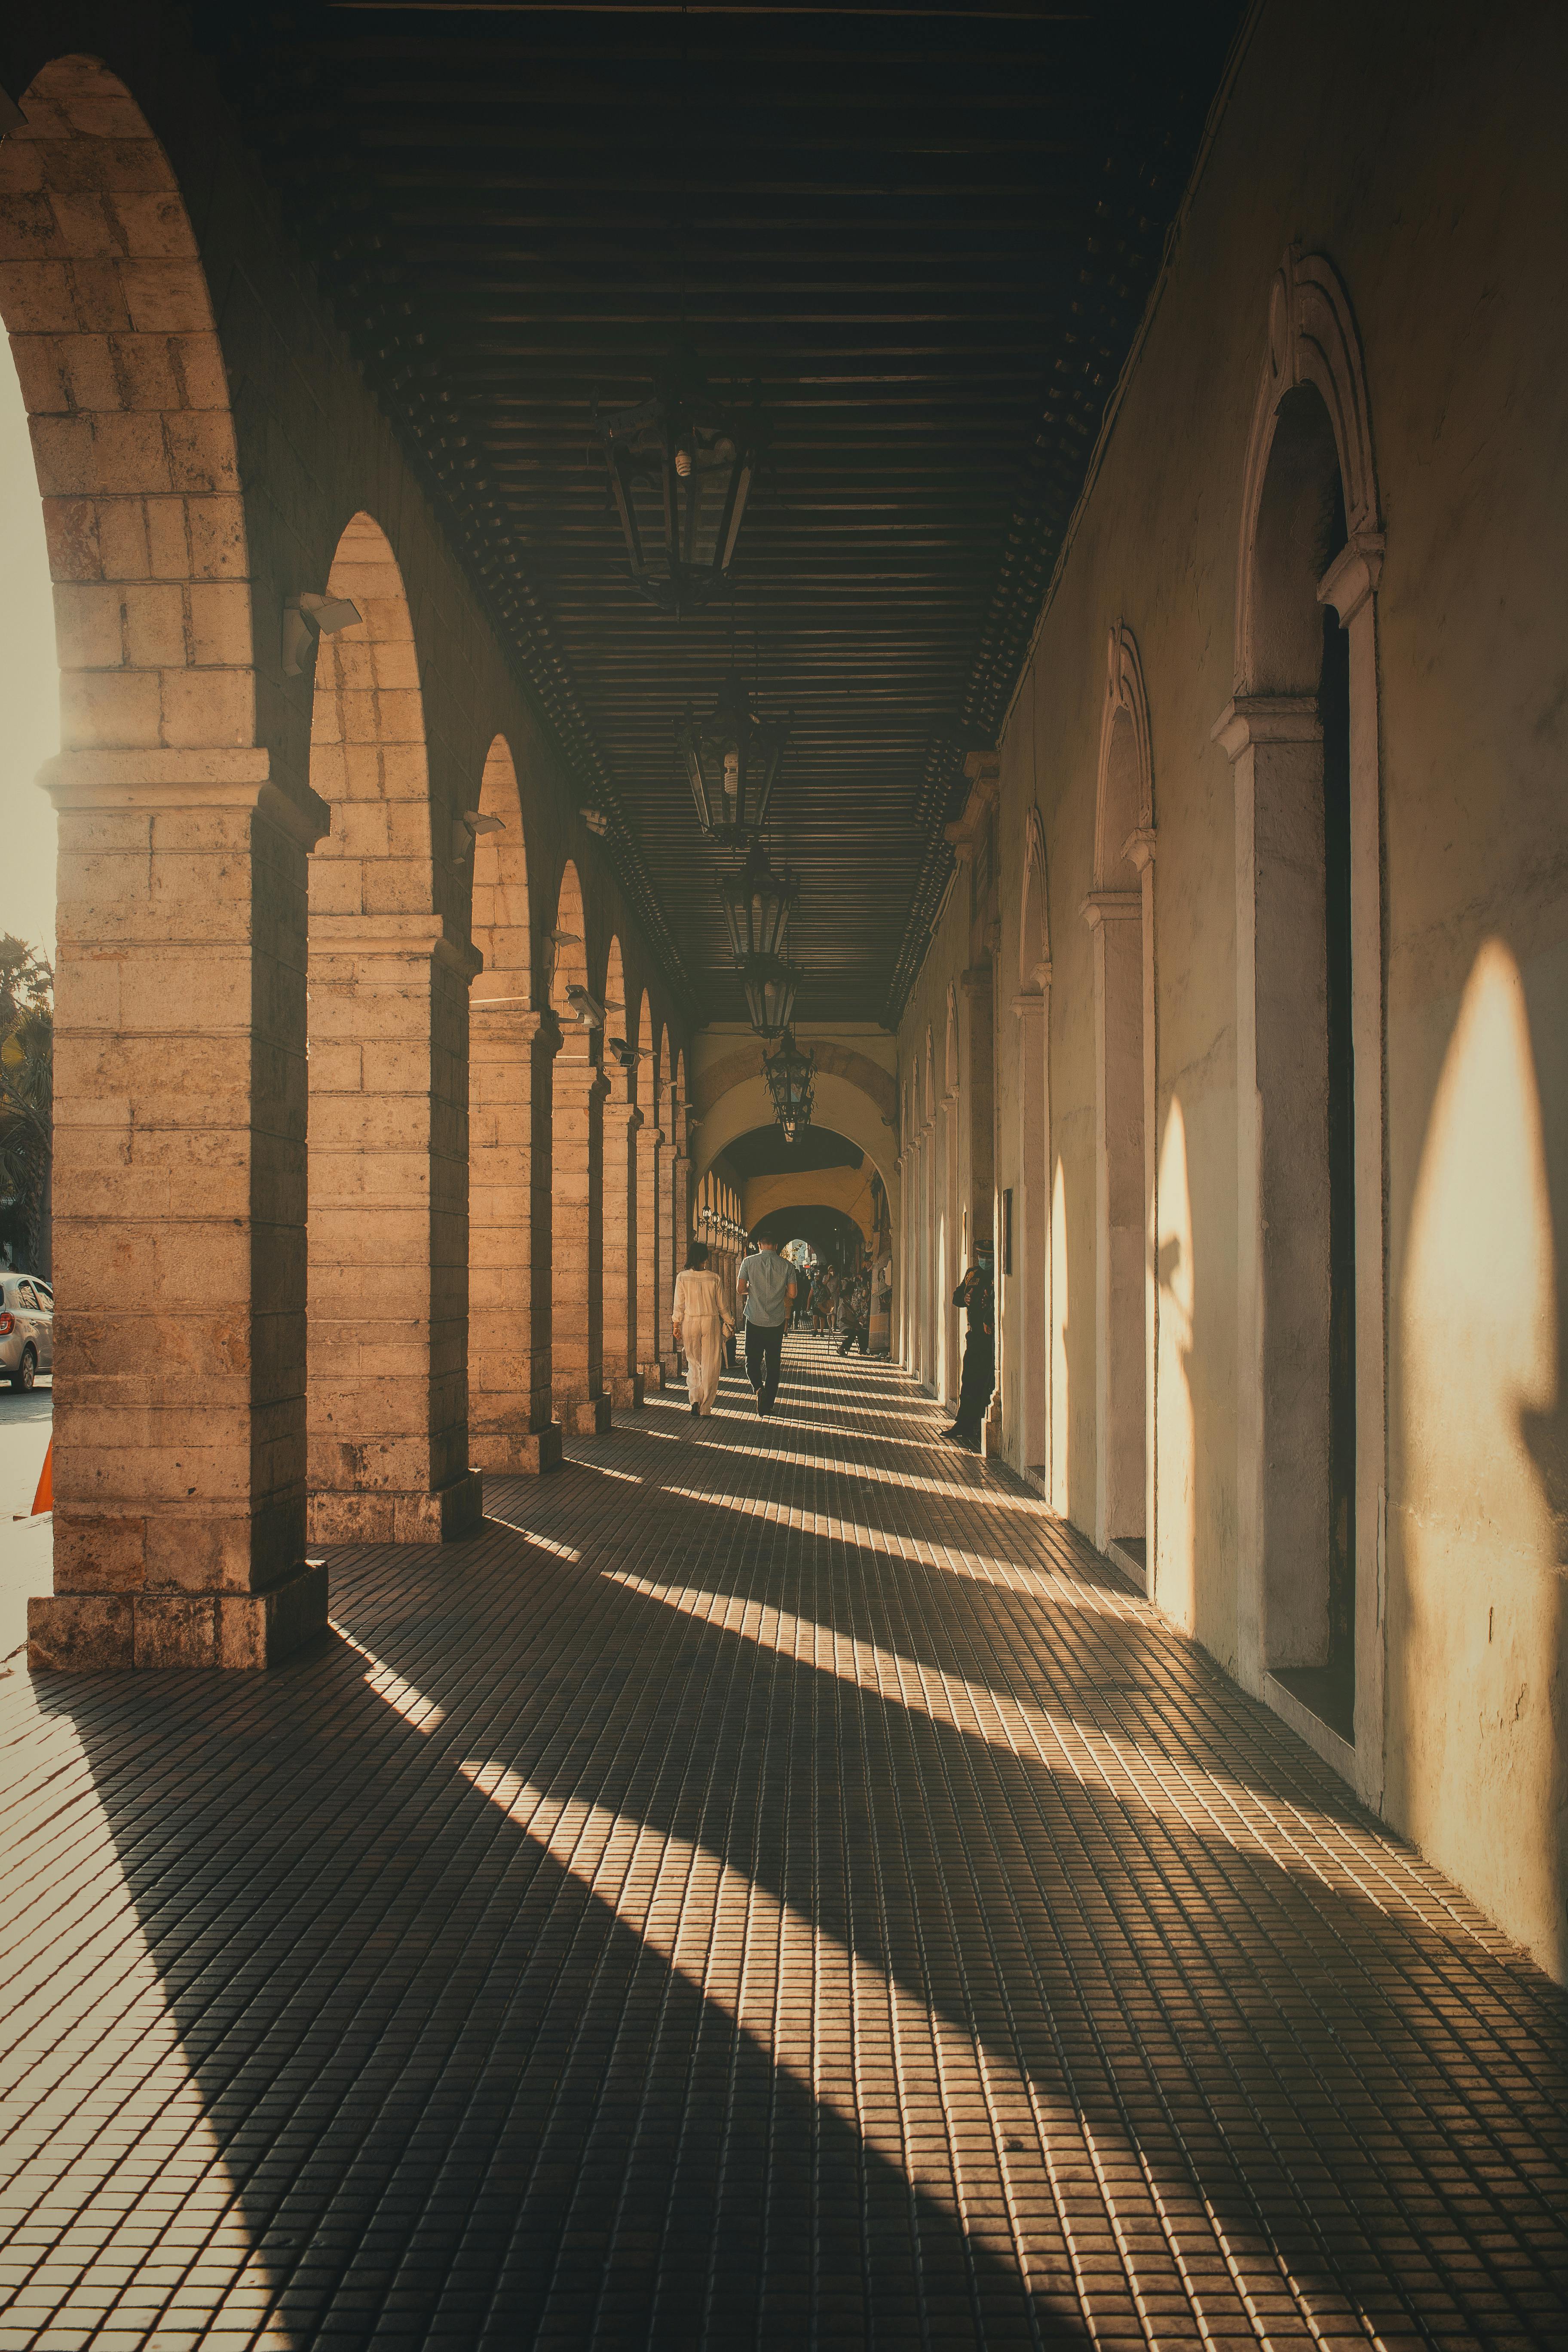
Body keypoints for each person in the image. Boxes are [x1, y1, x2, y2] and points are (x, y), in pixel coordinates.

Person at [735, 1231, 796, 1416]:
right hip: (776, 1321)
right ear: (776, 1246)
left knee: (752, 1360)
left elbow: (740, 1289)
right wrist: (778, 1294)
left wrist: (753, 1291)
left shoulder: (748, 1262)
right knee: (773, 1364)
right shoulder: (787, 1266)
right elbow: (793, 1294)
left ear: (759, 1245)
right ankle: (768, 1404)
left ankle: (758, 1389)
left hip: (754, 1319)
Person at [672, 1242, 733, 1418]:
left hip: (690, 1322)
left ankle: (695, 1399)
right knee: (711, 1364)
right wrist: (730, 1322)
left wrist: (676, 1324)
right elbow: (723, 1306)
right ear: (706, 1257)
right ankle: (706, 1407)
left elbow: (679, 1304)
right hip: (711, 1321)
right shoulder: (714, 1278)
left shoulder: (682, 1277)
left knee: (694, 1362)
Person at [945, 1250, 995, 1449]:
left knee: (986, 1381)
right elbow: (957, 1297)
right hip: (975, 1336)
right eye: (983, 1257)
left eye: (989, 1258)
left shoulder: (996, 1275)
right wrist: (965, 1298)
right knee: (969, 1378)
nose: (986, 1261)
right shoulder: (972, 1274)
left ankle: (978, 1422)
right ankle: (964, 1422)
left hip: (990, 1338)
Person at [836, 1269, 871, 1357]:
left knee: (864, 1332)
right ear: (844, 1297)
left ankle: (863, 1350)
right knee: (853, 1333)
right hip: (845, 1327)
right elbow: (843, 1319)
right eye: (848, 1296)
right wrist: (854, 1325)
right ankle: (842, 1348)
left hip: (852, 1325)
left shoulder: (850, 1305)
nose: (850, 1298)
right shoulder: (842, 1307)